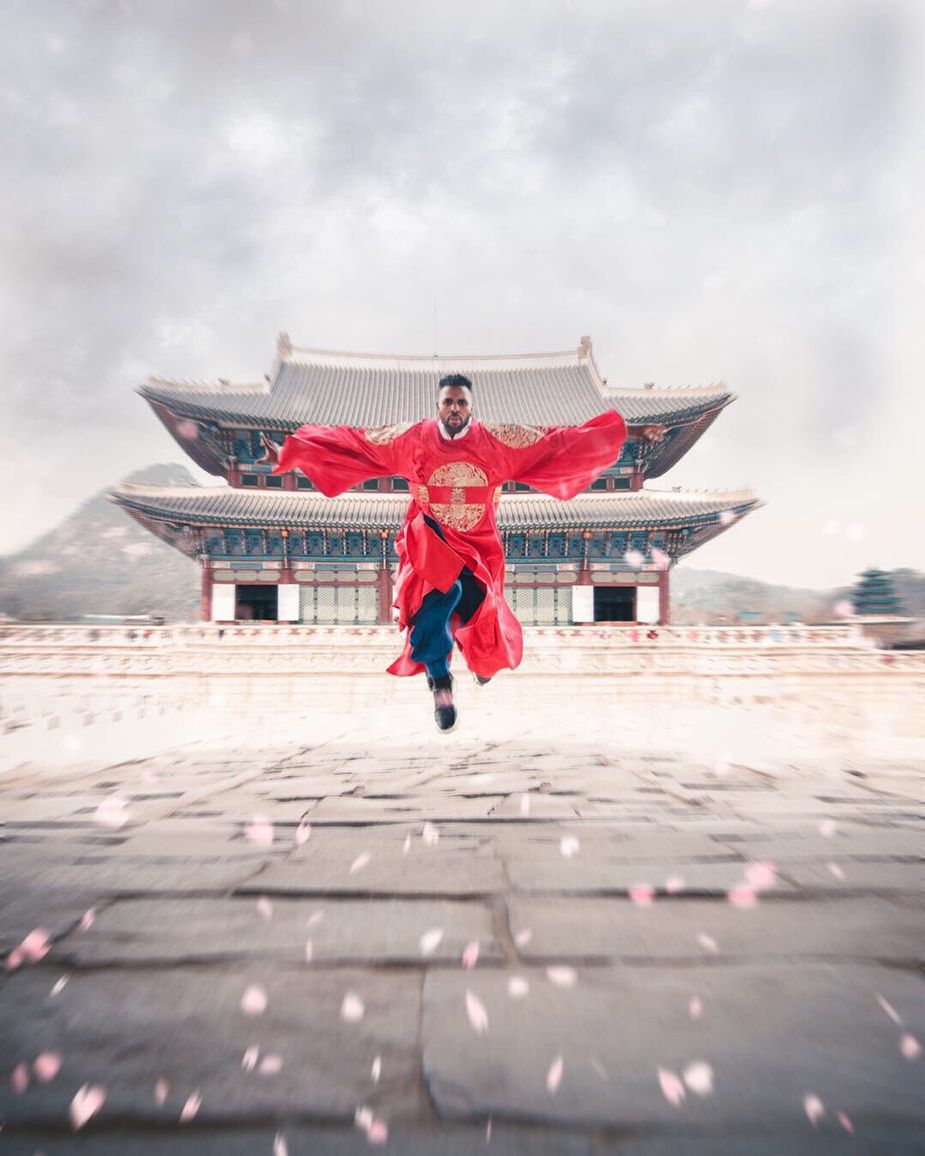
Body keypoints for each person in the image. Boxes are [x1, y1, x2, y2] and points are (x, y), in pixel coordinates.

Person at [260, 374, 628, 732]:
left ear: (471, 406)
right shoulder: (412, 439)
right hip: (431, 541)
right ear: (438, 405)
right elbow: (355, 443)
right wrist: (292, 453)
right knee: (436, 599)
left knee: (478, 609)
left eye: (461, 402)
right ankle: (440, 683)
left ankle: (480, 660)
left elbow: (553, 443)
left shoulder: (498, 442)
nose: (454, 408)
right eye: (448, 402)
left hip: (478, 546)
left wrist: (610, 441)